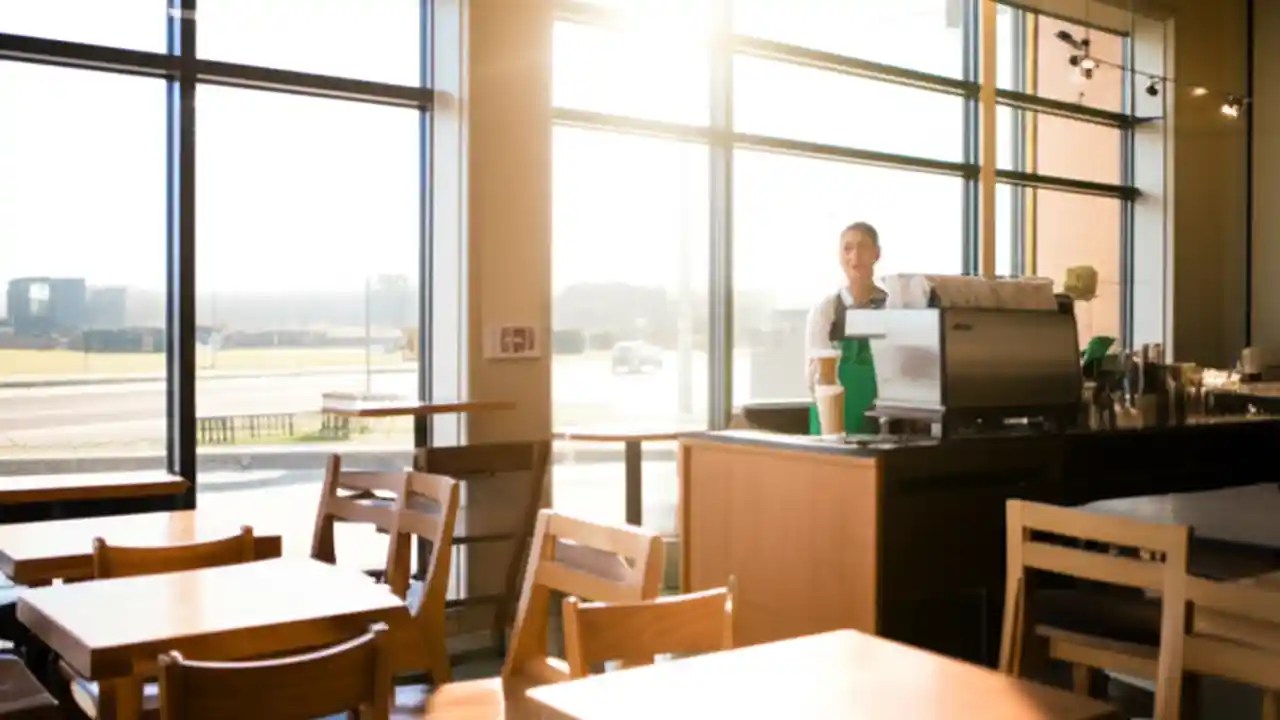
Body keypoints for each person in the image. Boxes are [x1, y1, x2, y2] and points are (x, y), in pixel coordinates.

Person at [805, 222, 887, 435]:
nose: (855, 256)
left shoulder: (891, 307)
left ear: (876, 254)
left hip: (878, 420)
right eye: (847, 249)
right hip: (832, 422)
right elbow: (815, 374)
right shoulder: (826, 310)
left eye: (862, 247)